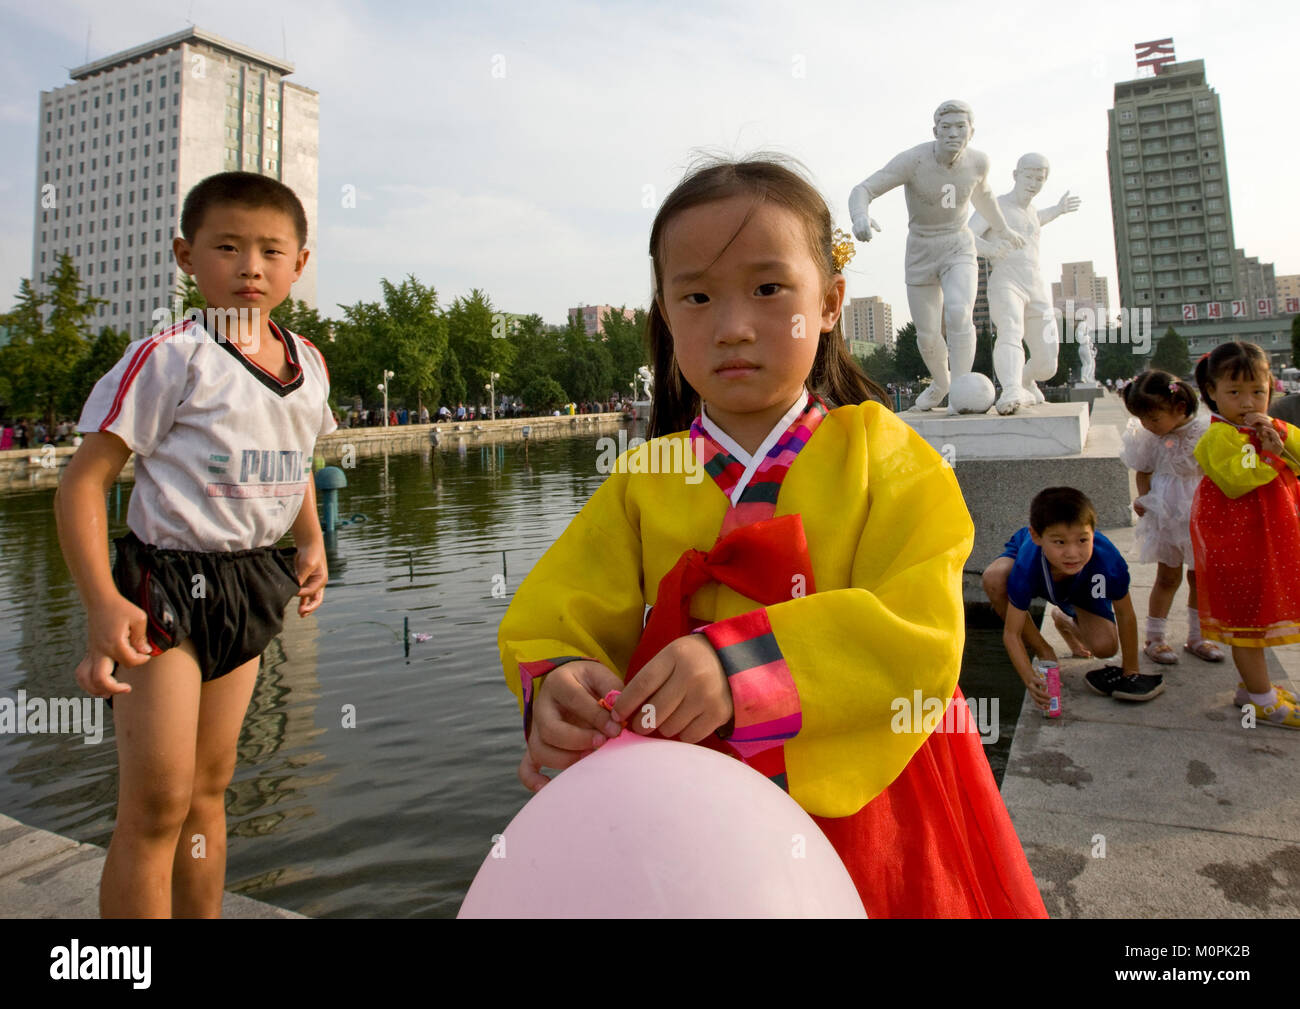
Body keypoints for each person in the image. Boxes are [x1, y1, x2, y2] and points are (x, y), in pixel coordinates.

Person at [498, 156, 1045, 918]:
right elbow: (558, 608)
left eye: (767, 289)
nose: (731, 326)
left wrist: (740, 667)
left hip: (865, 804)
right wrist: (560, 682)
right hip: (682, 805)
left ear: (829, 302)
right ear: (664, 316)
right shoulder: (642, 476)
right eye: (695, 296)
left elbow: (919, 631)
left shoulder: (887, 455)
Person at [53, 171, 333, 917]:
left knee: (211, 789)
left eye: (272, 251)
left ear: (299, 264)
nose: (250, 266)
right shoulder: (172, 356)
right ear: (187, 255)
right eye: (228, 247)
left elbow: (295, 453)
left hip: (250, 580)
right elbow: (83, 484)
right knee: (157, 802)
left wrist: (310, 540)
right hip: (165, 586)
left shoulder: (308, 364)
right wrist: (102, 603)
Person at [849, 100, 1024, 413]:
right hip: (921, 248)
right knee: (928, 334)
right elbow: (863, 189)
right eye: (946, 127)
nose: (953, 134)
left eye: (960, 127)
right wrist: (860, 215)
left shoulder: (979, 162)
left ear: (971, 131)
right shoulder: (914, 160)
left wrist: (1003, 229)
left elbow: (984, 198)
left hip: (958, 244)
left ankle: (960, 390)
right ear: (935, 131)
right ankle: (941, 382)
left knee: (959, 312)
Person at [1190, 342, 1300, 727]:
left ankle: (1252, 688)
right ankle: (1262, 702)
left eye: (1258, 391)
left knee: (1263, 613)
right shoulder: (1217, 438)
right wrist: (1270, 454)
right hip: (1238, 545)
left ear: (1271, 388)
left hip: (1271, 542)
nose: (1248, 402)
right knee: (1249, 622)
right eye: (1234, 392)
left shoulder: (1271, 428)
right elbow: (1237, 481)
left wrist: (1279, 439)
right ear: (1212, 394)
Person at [983, 487, 1160, 702]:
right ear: (1036, 536)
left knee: (1105, 648)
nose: (1072, 553)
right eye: (1060, 542)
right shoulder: (1027, 563)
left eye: (1083, 540)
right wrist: (1030, 677)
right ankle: (1043, 649)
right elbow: (1011, 634)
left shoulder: (1108, 560)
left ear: (1093, 532)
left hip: (1082, 586)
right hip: (1039, 570)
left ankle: (1066, 619)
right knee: (993, 578)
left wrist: (1131, 670)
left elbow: (1125, 615)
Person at [1119, 371, 1221, 664]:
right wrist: (1143, 499)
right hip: (1166, 516)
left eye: (1153, 418)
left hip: (1200, 512)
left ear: (1179, 407)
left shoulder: (1205, 430)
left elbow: (1215, 472)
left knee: (1200, 577)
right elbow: (1144, 470)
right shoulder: (1152, 437)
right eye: (1142, 419)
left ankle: (1199, 635)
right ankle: (1155, 637)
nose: (1147, 426)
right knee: (1167, 576)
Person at [968, 153, 1080, 414]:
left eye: (1039, 178)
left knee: (1047, 363)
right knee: (1010, 329)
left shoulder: (1030, 211)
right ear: (1015, 175)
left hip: (1036, 286)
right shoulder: (994, 206)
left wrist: (1059, 210)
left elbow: (1037, 219)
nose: (1033, 182)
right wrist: (991, 249)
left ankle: (1025, 381)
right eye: (1029, 176)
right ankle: (1010, 389)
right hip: (1007, 281)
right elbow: (967, 235)